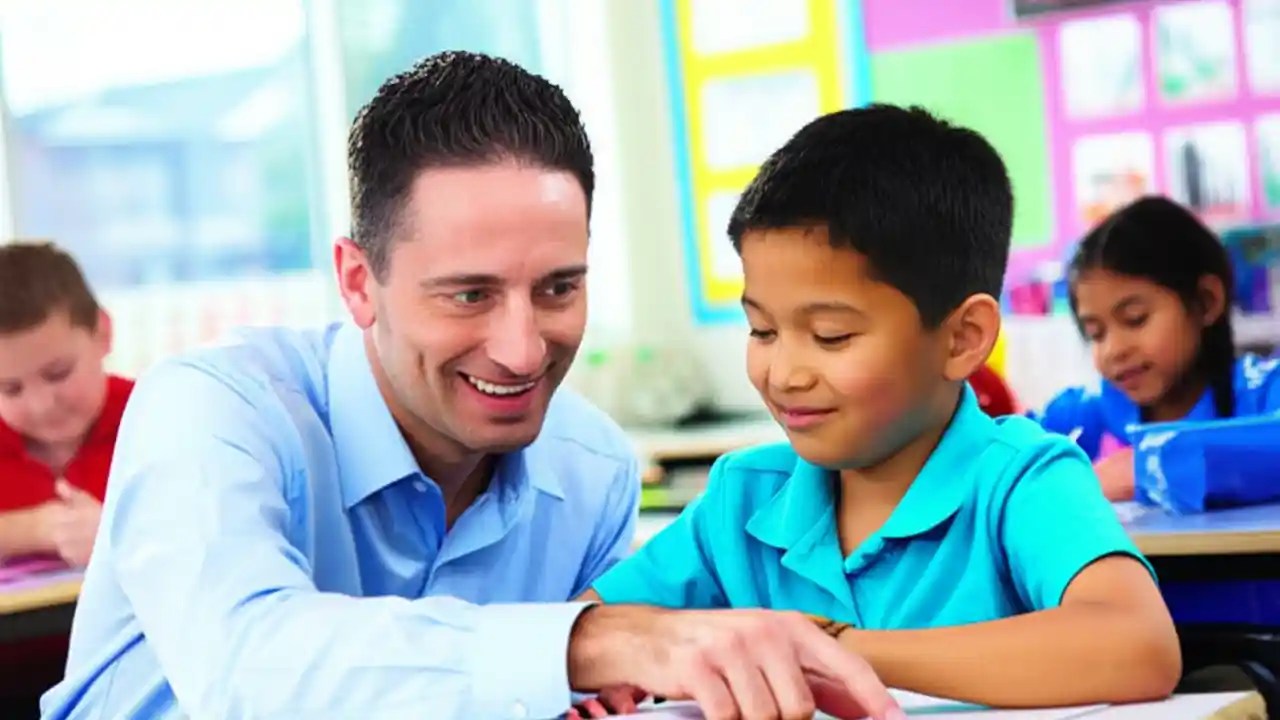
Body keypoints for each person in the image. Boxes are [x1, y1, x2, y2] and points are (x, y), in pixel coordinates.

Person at [41, 53, 900, 720]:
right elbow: (242, 667)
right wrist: (595, 640)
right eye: (469, 295)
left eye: (558, 288)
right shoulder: (211, 407)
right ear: (356, 281)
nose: (524, 351)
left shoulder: (590, 462)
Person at [577, 106, 1181, 714]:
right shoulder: (742, 501)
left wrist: (838, 650)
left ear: (962, 338)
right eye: (762, 330)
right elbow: (583, 636)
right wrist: (631, 663)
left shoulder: (1020, 480)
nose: (784, 373)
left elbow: (1139, 646)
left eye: (832, 336)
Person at [1034, 196, 1280, 500]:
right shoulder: (1089, 412)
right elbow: (997, 455)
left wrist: (1145, 466)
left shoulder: (1262, 391)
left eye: (1135, 319)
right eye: (1095, 334)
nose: (1114, 350)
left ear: (1206, 301)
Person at [0, 240, 133, 568]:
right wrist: (39, 528)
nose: (41, 404)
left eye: (58, 374)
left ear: (102, 333)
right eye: (10, 389)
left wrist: (119, 538)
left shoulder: (160, 416)